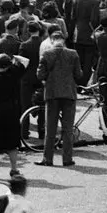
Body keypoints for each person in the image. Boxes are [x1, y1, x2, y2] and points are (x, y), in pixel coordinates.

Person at [37, 28, 82, 167]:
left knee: (50, 128)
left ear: (51, 40)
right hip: (69, 93)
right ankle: (67, 159)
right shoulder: (73, 54)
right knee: (67, 129)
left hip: (52, 93)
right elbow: (79, 75)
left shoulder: (47, 54)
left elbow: (40, 75)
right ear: (63, 41)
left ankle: (47, 158)